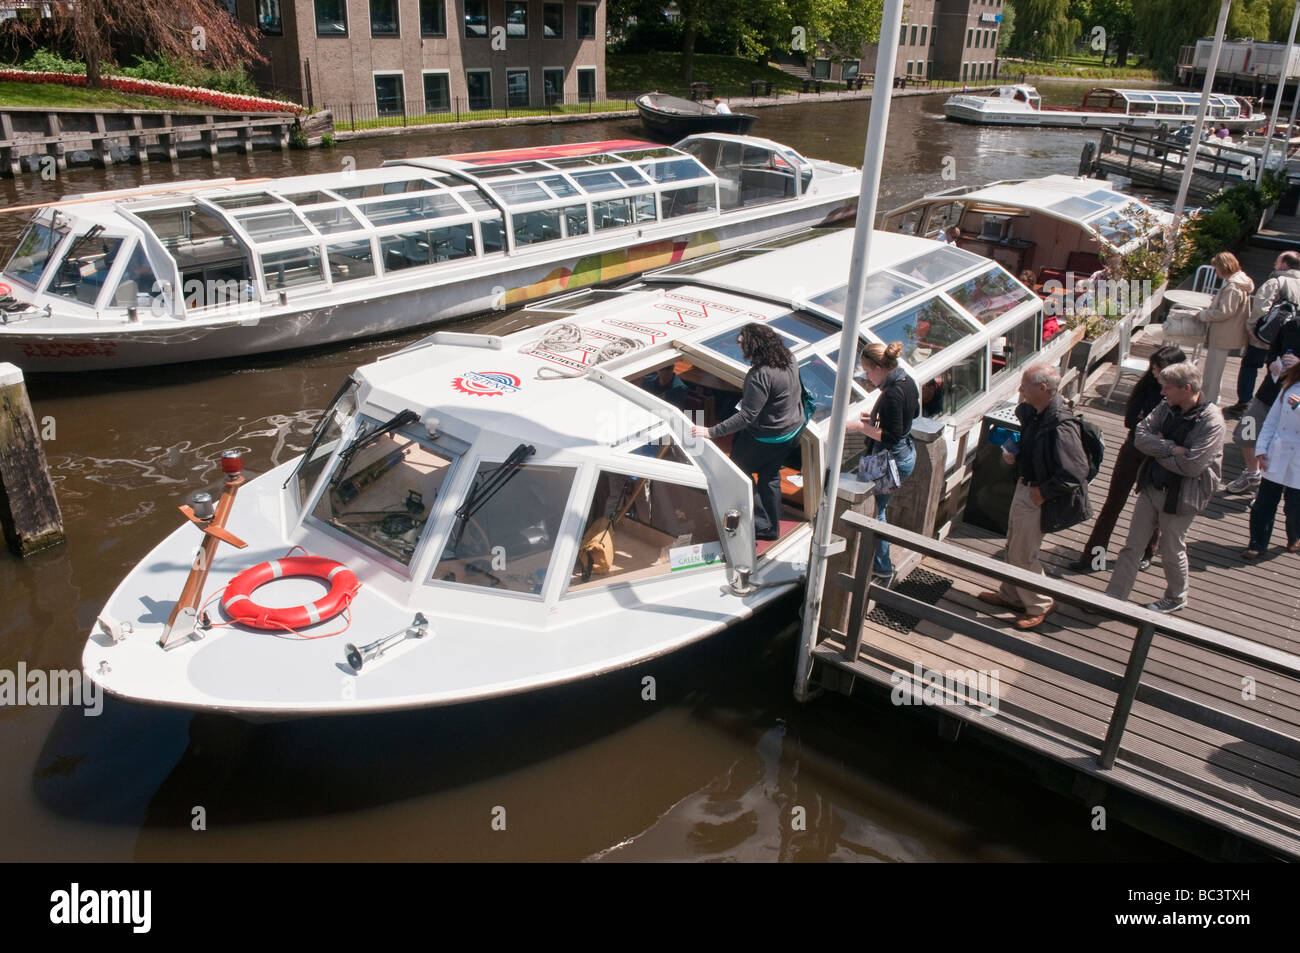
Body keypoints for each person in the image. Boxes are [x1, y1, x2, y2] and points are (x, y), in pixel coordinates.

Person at [976, 365, 1091, 630]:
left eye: (1025, 385)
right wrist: (1017, 457)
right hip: (1026, 486)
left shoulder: (1061, 426)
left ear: (1042, 388)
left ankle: (1041, 602)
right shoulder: (1037, 414)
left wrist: (1043, 493)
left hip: (1037, 494)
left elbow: (1075, 473)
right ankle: (1012, 594)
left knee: (1024, 554)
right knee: (1014, 545)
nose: (1020, 390)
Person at [1104, 362, 1225, 613]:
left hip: (1182, 497)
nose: (1162, 393)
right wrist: (1171, 449)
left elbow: (1192, 466)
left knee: (1172, 550)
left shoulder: (1212, 422)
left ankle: (1177, 596)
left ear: (1187, 388)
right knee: (1132, 546)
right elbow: (1140, 436)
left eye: (1167, 388)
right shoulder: (1167, 406)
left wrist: (1158, 447)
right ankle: (1114, 598)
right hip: (1152, 486)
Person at [1072, 345, 1188, 572]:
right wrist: (1156, 433)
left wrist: (1148, 427)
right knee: (1113, 504)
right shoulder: (1147, 386)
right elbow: (1130, 420)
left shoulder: (1181, 396)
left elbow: (1176, 433)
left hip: (1158, 459)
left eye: (1160, 369)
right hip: (1133, 450)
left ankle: (1148, 553)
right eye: (1154, 368)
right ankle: (1093, 558)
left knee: (1153, 508)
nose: (1156, 373)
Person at [690, 323, 804, 541]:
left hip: (766, 438)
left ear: (753, 346)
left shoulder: (760, 375)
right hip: (791, 432)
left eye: (743, 345)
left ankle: (752, 521)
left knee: (739, 473)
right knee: (770, 476)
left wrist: (710, 431)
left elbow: (746, 416)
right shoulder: (788, 357)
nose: (741, 351)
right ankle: (769, 526)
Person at [845, 341, 920, 586]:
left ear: (879, 367)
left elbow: (891, 436)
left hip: (888, 458)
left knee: (875, 512)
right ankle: (876, 562)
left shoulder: (892, 393)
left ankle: (882, 568)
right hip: (904, 453)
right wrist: (877, 419)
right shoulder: (906, 381)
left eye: (867, 371)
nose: (867, 377)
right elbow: (914, 414)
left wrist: (860, 427)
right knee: (878, 508)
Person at [1226, 257, 1300, 494]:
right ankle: (1252, 474)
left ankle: (1265, 489)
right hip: (1269, 392)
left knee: (1280, 445)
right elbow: (1271, 352)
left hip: (1295, 402)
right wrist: (1274, 365)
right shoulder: (1292, 325)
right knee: (1246, 430)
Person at [1229, 250, 1300, 417]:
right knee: (1277, 373)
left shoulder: (1276, 281)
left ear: (1284, 265)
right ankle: (1273, 406)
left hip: (1265, 336)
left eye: (1277, 261)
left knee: (1250, 366)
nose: (1275, 265)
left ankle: (1245, 404)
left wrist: (1252, 329)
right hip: (1290, 341)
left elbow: (1260, 309)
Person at [1243, 360, 1300, 558]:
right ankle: (1257, 543)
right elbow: (1271, 421)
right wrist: (1261, 448)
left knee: (1295, 506)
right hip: (1278, 453)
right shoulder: (1289, 387)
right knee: (1264, 503)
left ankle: (1295, 537)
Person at [1196, 251, 1254, 406]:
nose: (1215, 272)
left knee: (1213, 371)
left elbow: (1225, 312)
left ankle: (1207, 402)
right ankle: (1210, 400)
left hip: (1223, 334)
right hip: (1228, 333)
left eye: (1216, 269)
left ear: (1223, 268)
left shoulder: (1233, 287)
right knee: (1215, 371)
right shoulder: (1240, 283)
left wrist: (1203, 315)